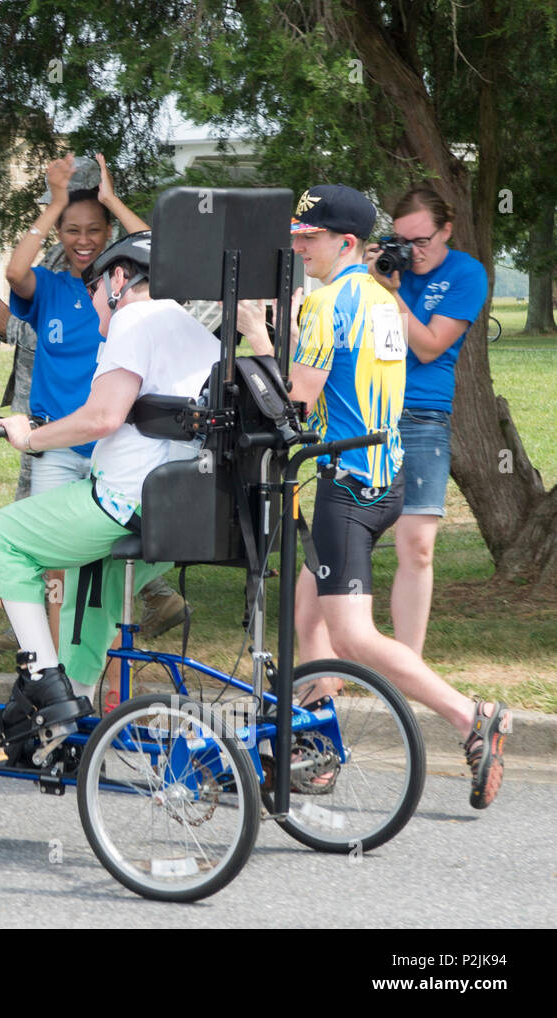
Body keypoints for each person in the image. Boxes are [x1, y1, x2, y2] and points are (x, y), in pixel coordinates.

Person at [239, 184, 510, 809]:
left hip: (345, 488)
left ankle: (471, 717)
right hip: (381, 477)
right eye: (297, 234)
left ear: (348, 242)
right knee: (308, 620)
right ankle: (315, 748)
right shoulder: (378, 296)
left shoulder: (330, 301)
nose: (299, 244)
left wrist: (257, 335)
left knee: (353, 637)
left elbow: (293, 407)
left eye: (312, 236)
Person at [0, 232, 221, 750]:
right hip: (185, 509)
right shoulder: (194, 330)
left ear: (117, 279)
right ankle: (66, 733)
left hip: (126, 501)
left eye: (92, 291)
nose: (90, 306)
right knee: (88, 606)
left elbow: (103, 416)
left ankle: (45, 685)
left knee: (4, 534)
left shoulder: (133, 319)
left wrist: (29, 436)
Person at [0, 154, 187, 658]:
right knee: (57, 564)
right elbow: (15, 270)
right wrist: (55, 201)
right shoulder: (53, 288)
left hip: (116, 450)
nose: (83, 240)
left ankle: (89, 670)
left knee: (100, 567)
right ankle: (57, 668)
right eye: (71, 230)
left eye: (94, 229)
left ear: (109, 233)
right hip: (60, 448)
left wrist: (112, 200)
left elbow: (165, 255)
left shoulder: (124, 291)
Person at [365, 188, 488, 656]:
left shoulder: (465, 273)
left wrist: (394, 296)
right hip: (369, 409)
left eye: (421, 241)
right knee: (343, 539)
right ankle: (327, 661)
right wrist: (365, 271)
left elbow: (431, 344)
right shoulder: (379, 272)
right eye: (401, 240)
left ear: (447, 231)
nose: (411, 252)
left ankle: (407, 664)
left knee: (417, 546)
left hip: (422, 414)